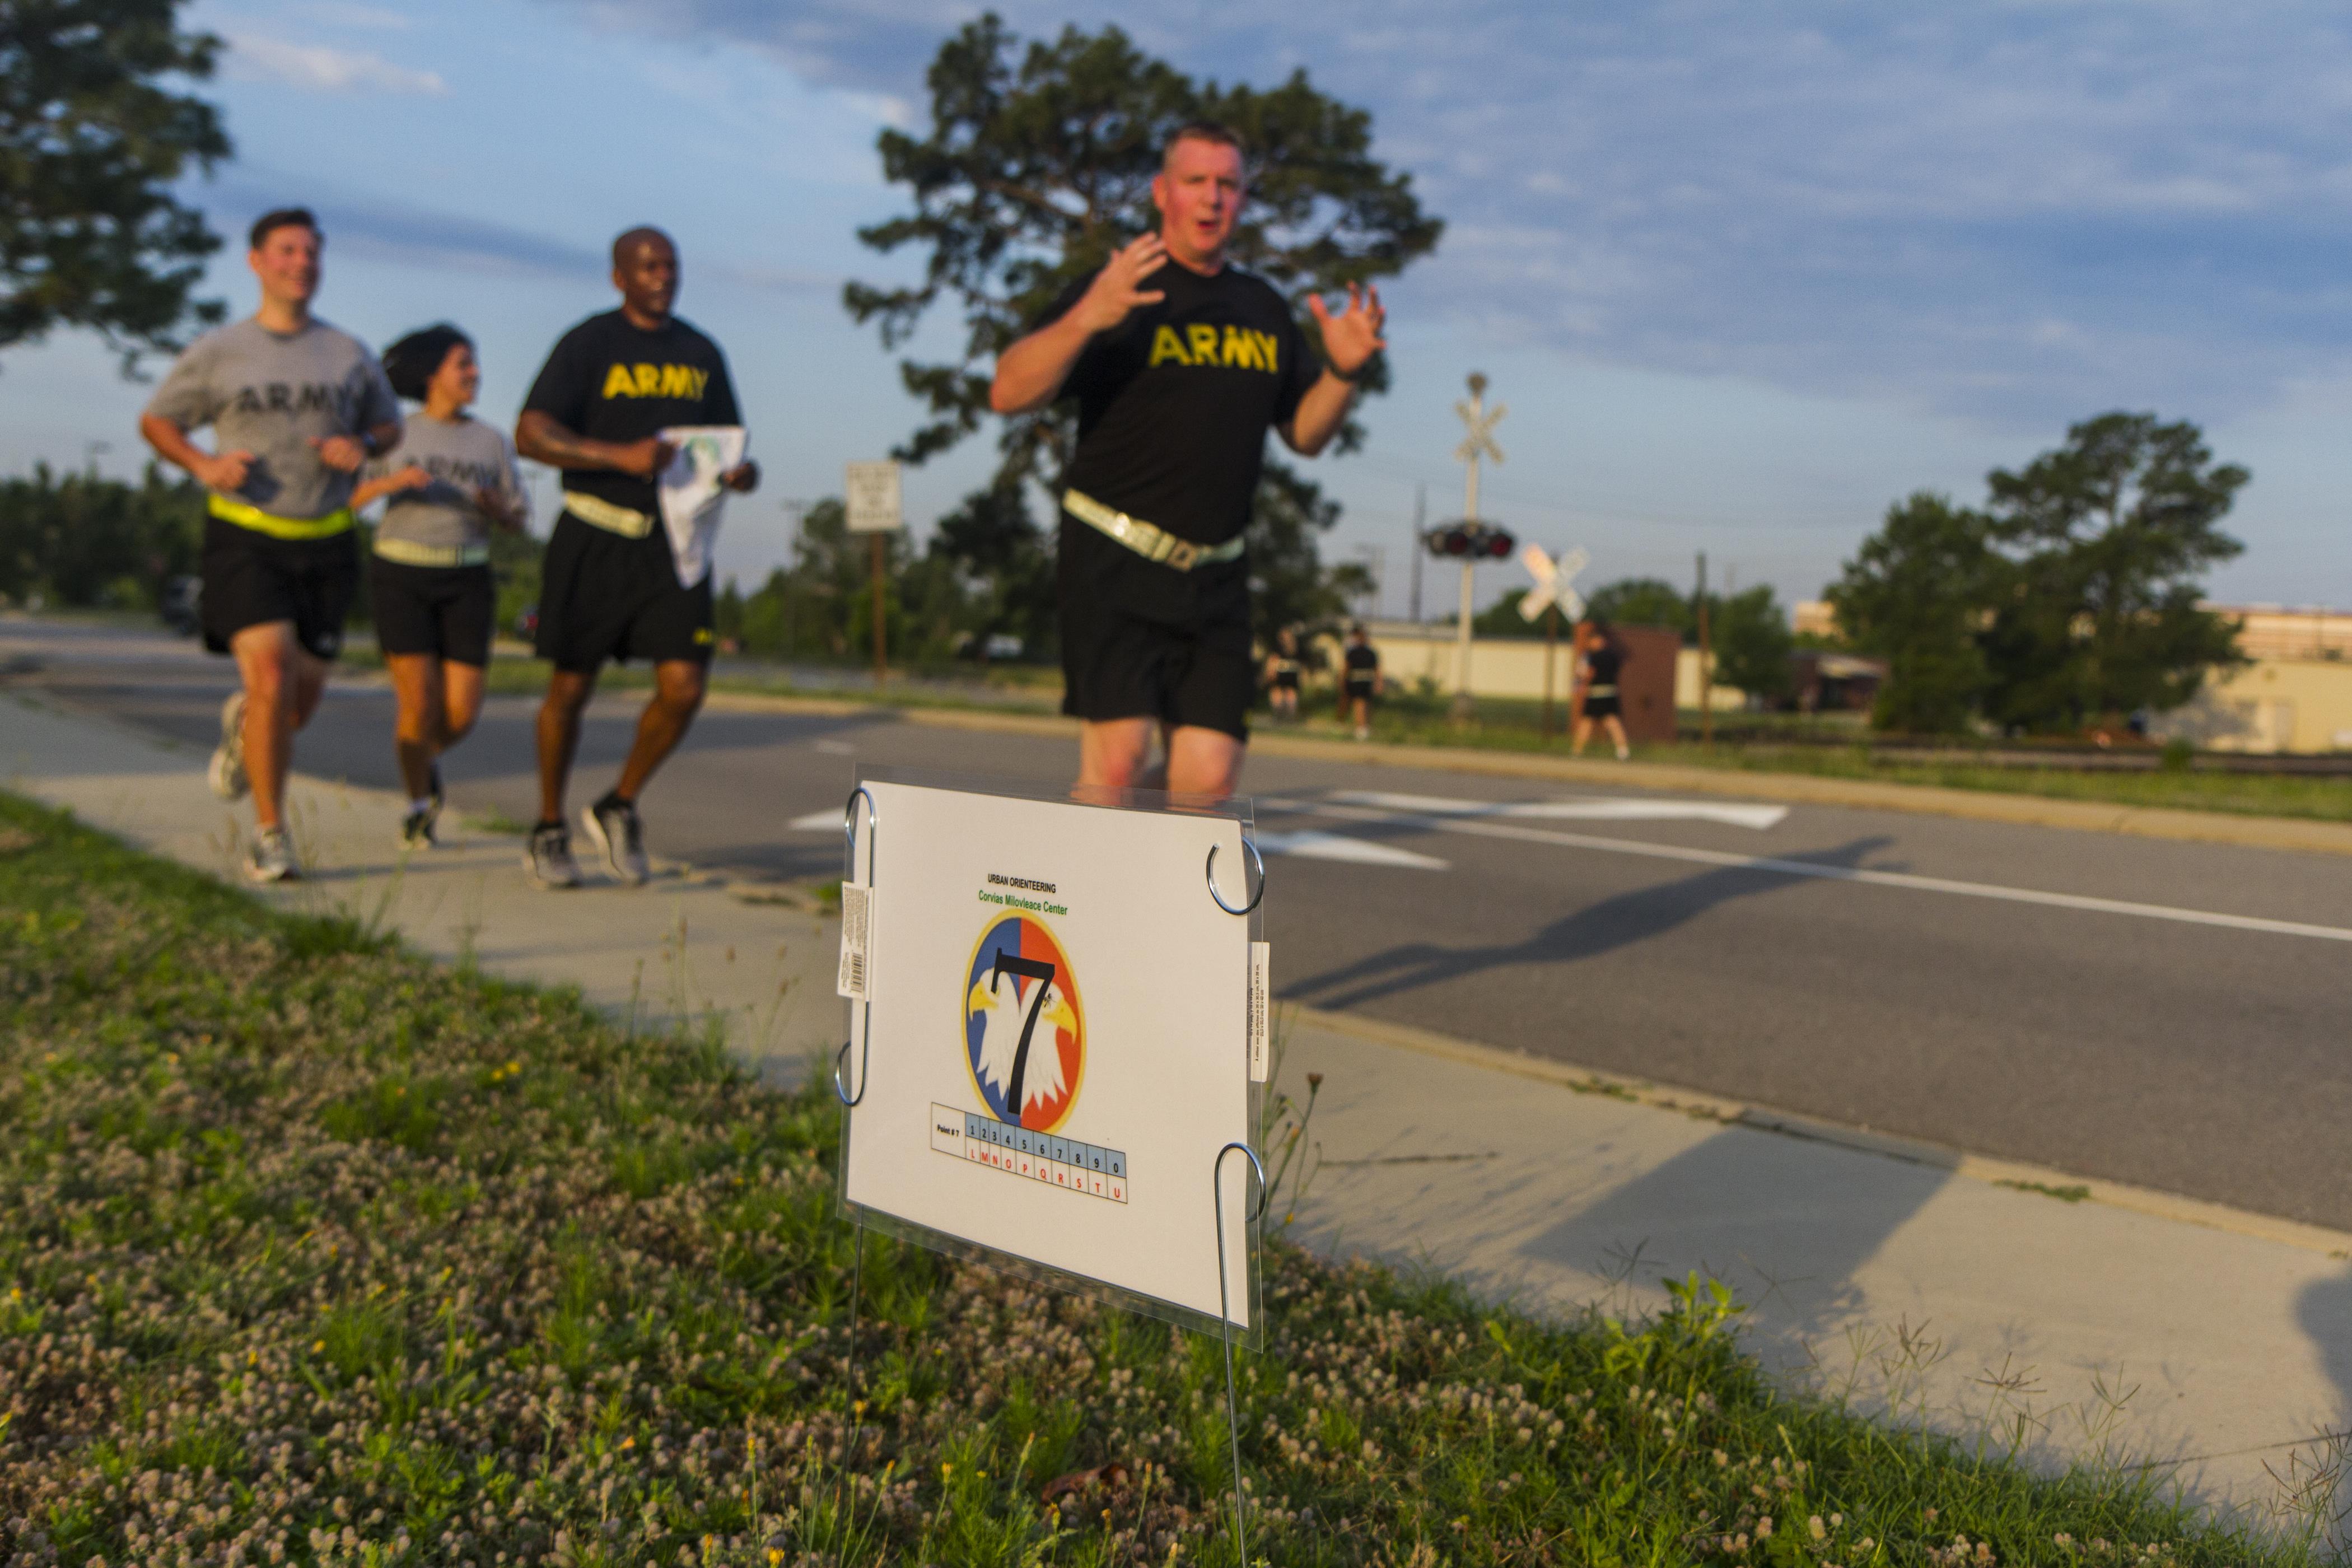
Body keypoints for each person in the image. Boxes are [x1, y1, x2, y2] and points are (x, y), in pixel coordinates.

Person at [988, 122, 1389, 797]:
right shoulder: (1120, 289)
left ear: (1243, 200)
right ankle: (1087, 897)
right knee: (1116, 765)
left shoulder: (1261, 307)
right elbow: (1008, 391)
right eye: (1196, 182)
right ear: (1161, 192)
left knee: (1208, 780)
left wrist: (1343, 375)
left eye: (1228, 185)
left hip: (1217, 575)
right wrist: (1090, 315)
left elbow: (1305, 434)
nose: (1212, 199)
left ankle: (1154, 893)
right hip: (1113, 559)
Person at [137, 207, 401, 883]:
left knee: (297, 704)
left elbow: (387, 426)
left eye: (311, 251)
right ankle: (270, 832)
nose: (301, 262)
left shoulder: (348, 352)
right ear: (257, 262)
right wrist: (203, 465)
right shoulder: (220, 351)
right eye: (286, 251)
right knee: (272, 677)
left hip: (327, 538)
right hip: (246, 534)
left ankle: (244, 728)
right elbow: (158, 421)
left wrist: (362, 445)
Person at [514, 226, 757, 889]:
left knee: (684, 687)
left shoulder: (701, 351)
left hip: (675, 542)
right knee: (570, 688)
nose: (663, 276)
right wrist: (615, 456)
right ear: (619, 275)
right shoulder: (590, 343)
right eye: (648, 266)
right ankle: (547, 825)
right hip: (593, 532)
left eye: (671, 265)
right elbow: (530, 432)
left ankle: (619, 803)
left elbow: (726, 442)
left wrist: (740, 475)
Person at [352, 324, 529, 850]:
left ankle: (420, 761)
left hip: (467, 576)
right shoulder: (395, 433)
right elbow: (345, 496)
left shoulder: (491, 441)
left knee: (461, 712)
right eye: (463, 365)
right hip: (401, 572)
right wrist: (390, 482)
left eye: (474, 365)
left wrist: (500, 512)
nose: (474, 374)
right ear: (433, 376)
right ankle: (418, 805)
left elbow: (519, 519)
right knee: (419, 703)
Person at [1572, 618, 1632, 760]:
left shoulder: (1592, 656)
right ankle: (1623, 751)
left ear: (1595, 641)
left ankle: (1577, 750)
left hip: (1596, 693)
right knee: (1612, 721)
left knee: (1587, 721)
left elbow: (1589, 673)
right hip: (1611, 692)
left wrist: (1581, 686)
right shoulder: (1613, 656)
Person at [1341, 623, 1382, 740]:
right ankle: (1363, 728)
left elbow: (1377, 669)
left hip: (1362, 680)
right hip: (1360, 680)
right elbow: (1346, 668)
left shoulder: (1366, 653)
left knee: (1362, 704)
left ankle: (1362, 728)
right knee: (1362, 704)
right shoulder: (1356, 653)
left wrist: (1379, 682)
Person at [1263, 627, 1303, 722]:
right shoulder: (1295, 648)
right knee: (1291, 695)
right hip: (1292, 673)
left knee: (1277, 694)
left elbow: (1273, 659)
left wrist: (1270, 672)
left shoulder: (1278, 647)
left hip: (1280, 672)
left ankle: (1279, 717)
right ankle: (1290, 718)